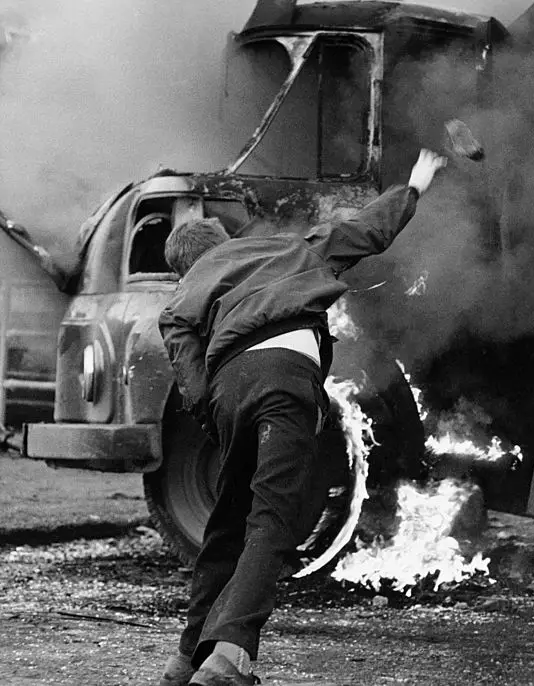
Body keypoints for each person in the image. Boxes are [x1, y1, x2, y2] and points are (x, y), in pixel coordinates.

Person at [156, 149, 448, 686]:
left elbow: (191, 381)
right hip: (284, 377)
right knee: (271, 520)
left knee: (227, 525)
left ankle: (185, 662)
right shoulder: (285, 249)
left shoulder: (181, 299)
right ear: (227, 244)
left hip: (228, 389)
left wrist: (223, 429)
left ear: (183, 266)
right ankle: (229, 660)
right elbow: (362, 232)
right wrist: (414, 186)